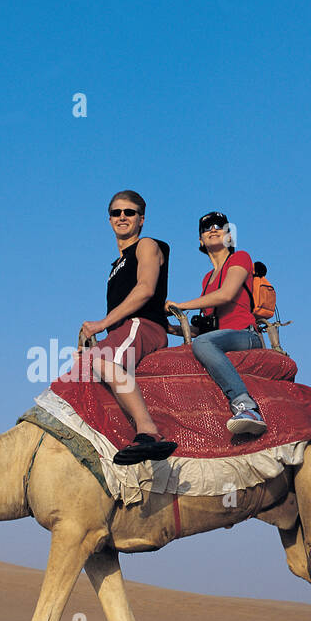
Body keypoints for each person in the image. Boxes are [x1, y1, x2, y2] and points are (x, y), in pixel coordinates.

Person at [79, 190, 178, 465]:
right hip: (125, 330)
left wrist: (101, 324)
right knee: (81, 370)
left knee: (101, 359)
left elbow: (146, 290)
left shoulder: (146, 245)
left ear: (141, 219)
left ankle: (147, 431)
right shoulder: (116, 265)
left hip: (139, 326)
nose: (122, 217)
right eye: (116, 213)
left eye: (129, 212)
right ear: (109, 219)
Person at [166, 211, 267, 436]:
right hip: (218, 338)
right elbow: (205, 330)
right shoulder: (206, 279)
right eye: (207, 227)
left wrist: (181, 305)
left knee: (202, 344)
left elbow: (227, 294)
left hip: (245, 335)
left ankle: (246, 406)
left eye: (219, 226)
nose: (213, 229)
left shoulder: (241, 258)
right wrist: (170, 327)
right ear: (201, 240)